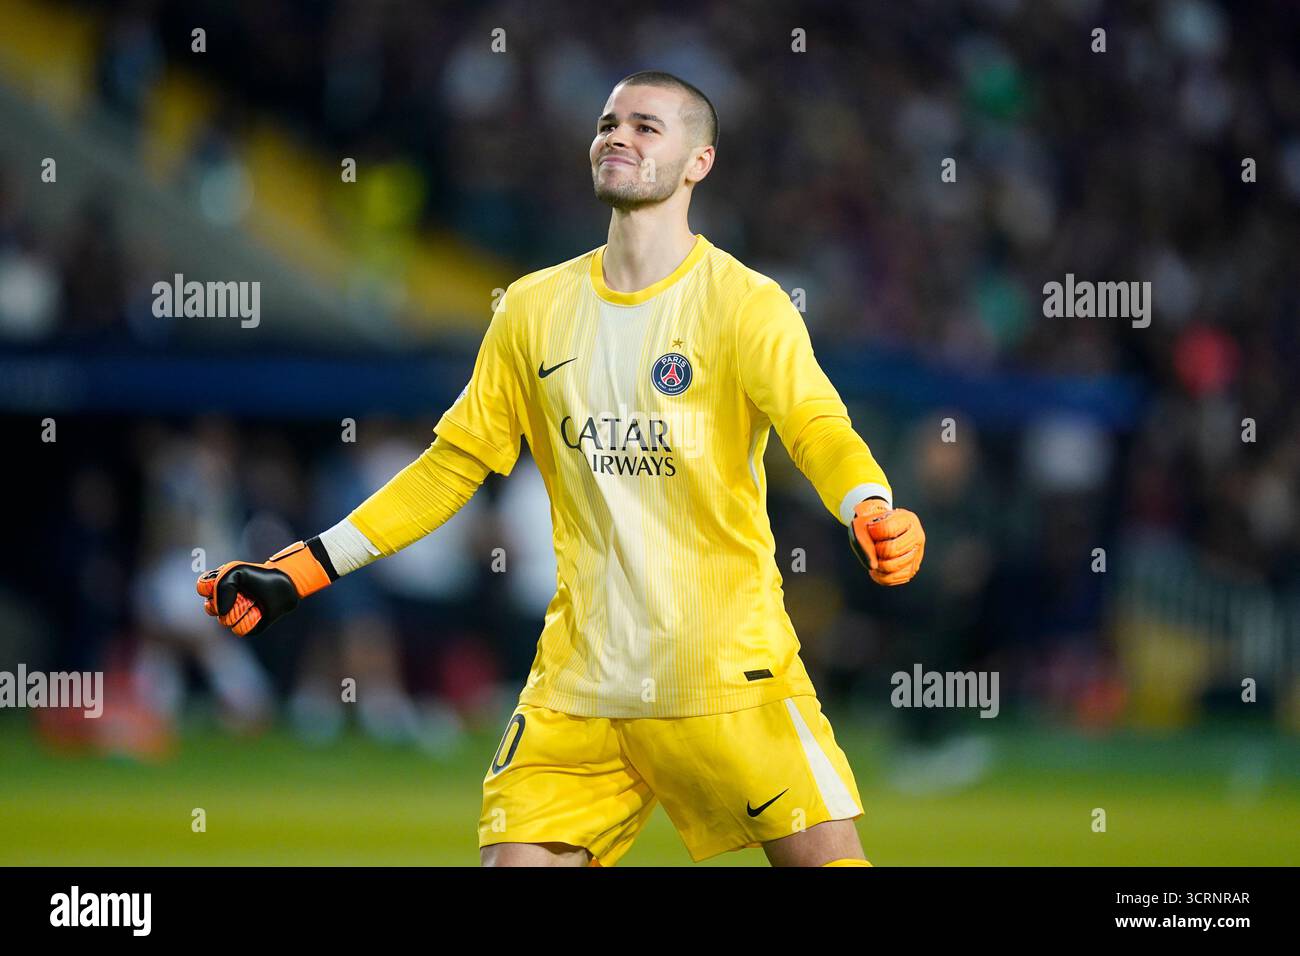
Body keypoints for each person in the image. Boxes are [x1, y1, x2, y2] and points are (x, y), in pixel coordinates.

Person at [195, 71, 926, 867]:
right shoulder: (532, 308)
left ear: (698, 162)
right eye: (608, 122)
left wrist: (868, 504)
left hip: (724, 676)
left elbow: (815, 424)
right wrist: (303, 569)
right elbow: (450, 469)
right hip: (579, 687)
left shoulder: (745, 305)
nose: (617, 135)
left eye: (646, 126)